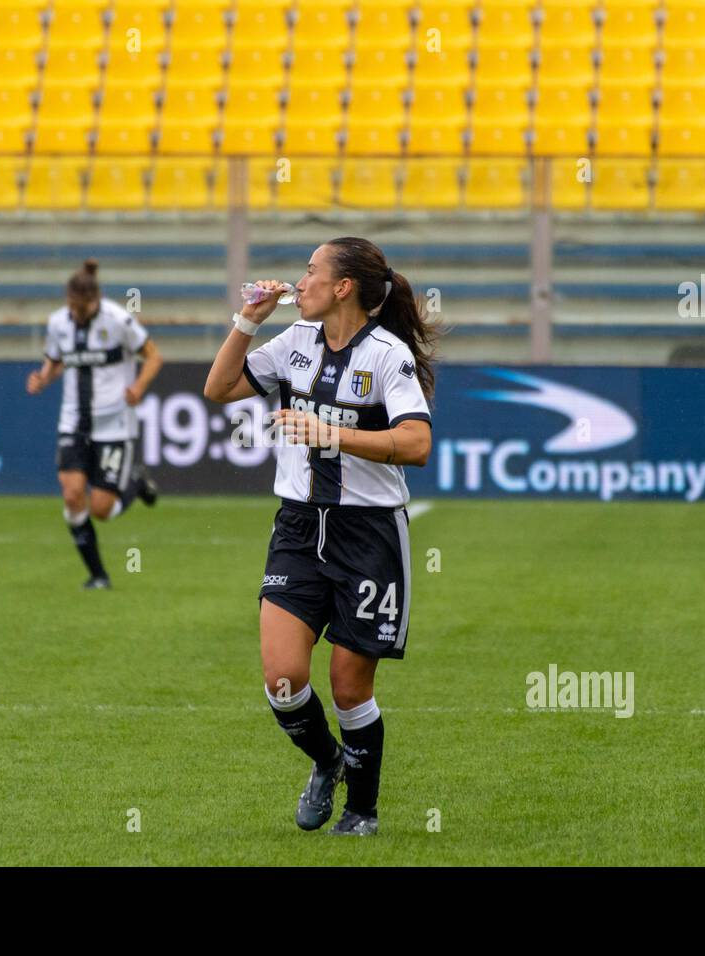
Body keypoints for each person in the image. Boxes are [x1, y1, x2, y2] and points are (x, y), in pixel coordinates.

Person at [203, 237, 438, 835]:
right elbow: (219, 389)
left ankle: (362, 812)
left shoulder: (388, 355)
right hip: (300, 527)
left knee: (347, 685)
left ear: (343, 288)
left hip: (369, 533)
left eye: (311, 271)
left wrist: (328, 435)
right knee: (283, 677)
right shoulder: (295, 341)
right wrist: (246, 322)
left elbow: (416, 444)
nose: (298, 281)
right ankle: (328, 762)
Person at [27, 258, 163, 589]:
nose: (75, 312)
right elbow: (57, 359)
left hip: (114, 423)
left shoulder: (118, 320)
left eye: (81, 307)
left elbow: (154, 356)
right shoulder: (58, 322)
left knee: (101, 508)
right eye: (71, 306)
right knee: (73, 495)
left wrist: (138, 387)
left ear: (94, 300)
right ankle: (98, 575)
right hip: (74, 422)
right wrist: (44, 378)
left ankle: (136, 482)